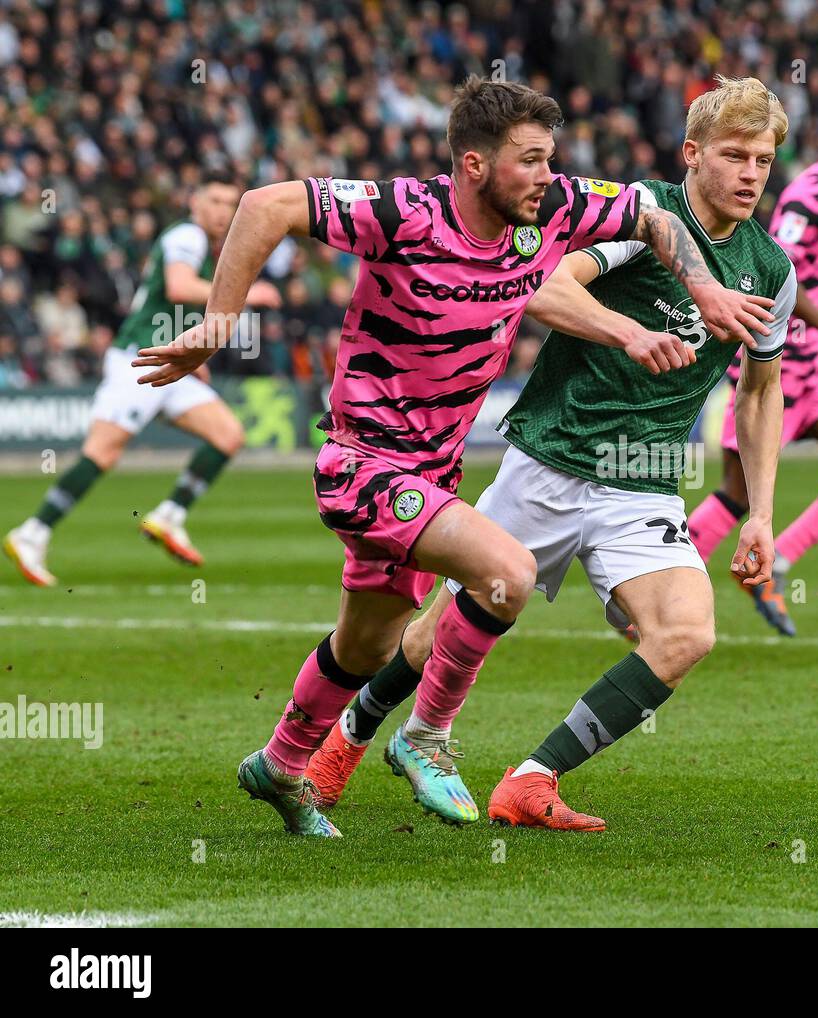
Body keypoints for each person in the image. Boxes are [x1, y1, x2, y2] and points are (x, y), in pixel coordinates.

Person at [132, 76, 774, 837]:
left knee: (366, 646)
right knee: (507, 575)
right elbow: (265, 204)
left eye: (550, 159)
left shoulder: (558, 207)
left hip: (440, 473)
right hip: (364, 463)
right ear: (475, 164)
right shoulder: (403, 211)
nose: (547, 176)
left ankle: (281, 762)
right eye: (530, 161)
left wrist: (702, 290)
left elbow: (651, 216)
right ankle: (425, 739)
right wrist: (219, 321)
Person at [3, 172, 279, 586]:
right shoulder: (186, 236)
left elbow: (172, 303)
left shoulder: (203, 246)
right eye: (215, 201)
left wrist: (191, 356)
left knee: (227, 435)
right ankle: (32, 533)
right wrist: (247, 293)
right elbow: (178, 287)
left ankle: (169, 515)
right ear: (195, 202)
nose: (223, 211)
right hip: (138, 362)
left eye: (230, 203)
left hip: (164, 361)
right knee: (102, 452)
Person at [685, 94, 818, 636]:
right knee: (737, 493)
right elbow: (780, 270)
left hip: (811, 366)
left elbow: (812, 276)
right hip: (773, 360)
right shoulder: (807, 196)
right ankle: (661, 586)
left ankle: (777, 565)